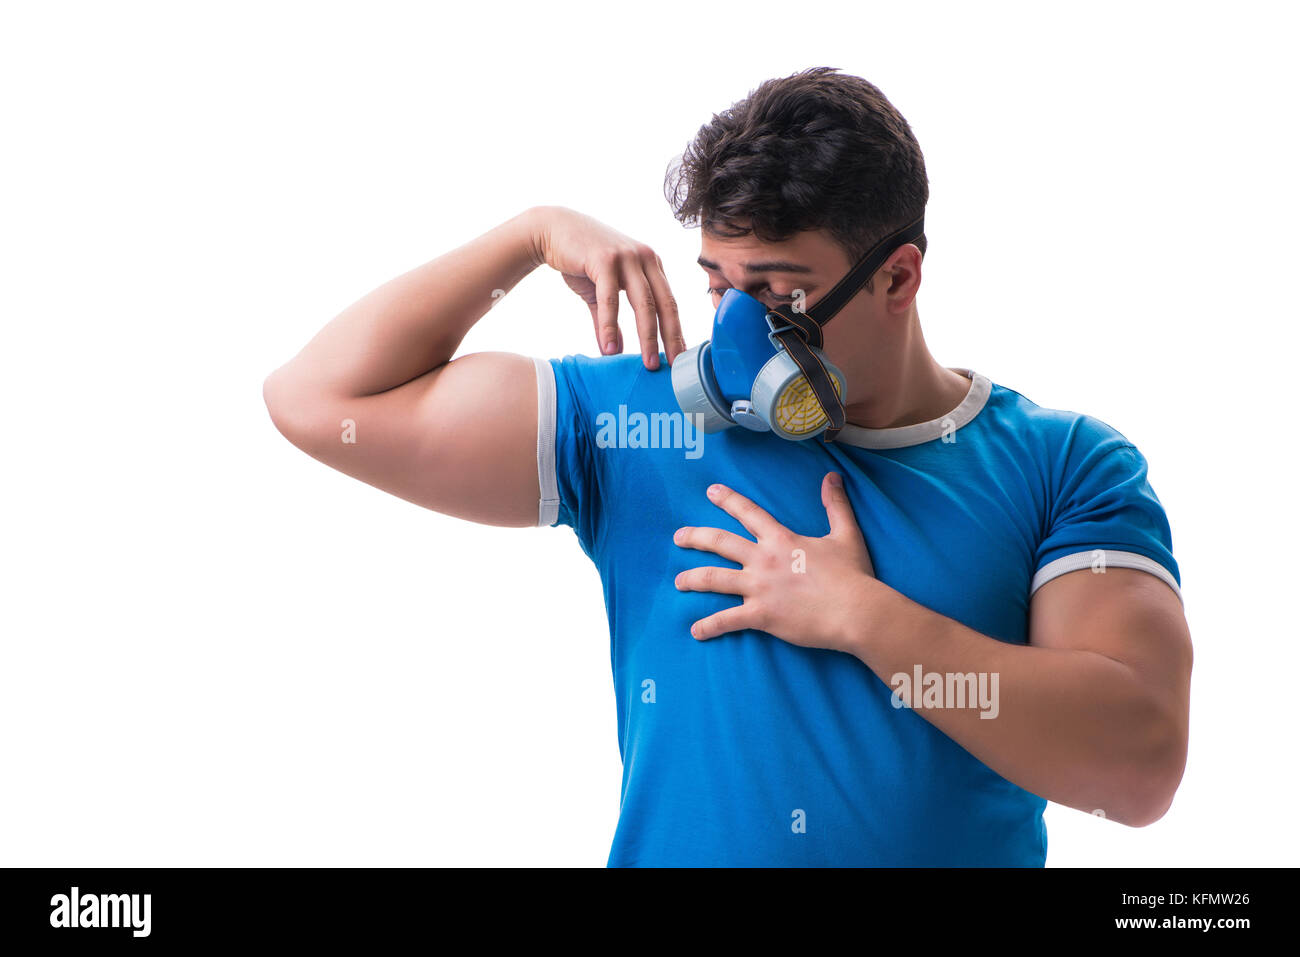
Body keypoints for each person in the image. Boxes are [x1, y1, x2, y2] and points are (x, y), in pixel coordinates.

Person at [262, 67, 1192, 866]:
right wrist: (528, 236)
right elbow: (321, 402)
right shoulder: (638, 420)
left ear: (897, 278)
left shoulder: (1063, 463)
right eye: (717, 284)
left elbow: (1138, 764)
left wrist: (865, 619)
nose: (737, 332)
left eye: (778, 293)